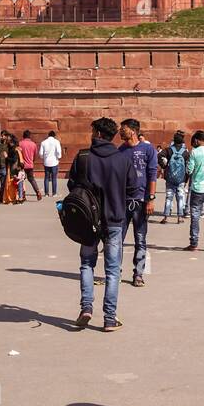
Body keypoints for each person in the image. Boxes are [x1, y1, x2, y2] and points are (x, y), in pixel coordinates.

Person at [69, 117, 132, 331]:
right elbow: (131, 188)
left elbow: (72, 185)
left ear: (96, 133)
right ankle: (109, 318)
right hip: (115, 220)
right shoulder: (123, 159)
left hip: (88, 221)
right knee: (113, 271)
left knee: (87, 263)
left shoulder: (83, 157)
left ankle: (86, 307)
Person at [119, 119, 157, 288]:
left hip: (141, 200)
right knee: (117, 239)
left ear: (132, 131)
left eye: (123, 129)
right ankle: (115, 272)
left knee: (140, 239)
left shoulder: (148, 149)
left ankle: (138, 274)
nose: (121, 131)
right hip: (123, 201)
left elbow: (152, 174)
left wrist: (151, 199)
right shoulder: (120, 151)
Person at [159, 130, 189, 223]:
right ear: (182, 141)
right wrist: (186, 179)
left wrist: (164, 166)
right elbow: (188, 166)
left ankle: (166, 217)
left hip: (170, 178)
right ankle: (180, 218)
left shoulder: (168, 150)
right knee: (180, 198)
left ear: (174, 140)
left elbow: (159, 156)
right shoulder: (185, 152)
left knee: (169, 197)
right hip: (181, 179)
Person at [38, 130, 63, 197]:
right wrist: (58, 157)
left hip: (46, 162)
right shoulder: (56, 142)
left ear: (48, 135)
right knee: (54, 178)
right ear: (54, 136)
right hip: (54, 162)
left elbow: (40, 153)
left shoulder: (43, 142)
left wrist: (43, 158)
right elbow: (58, 152)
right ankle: (54, 193)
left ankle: (46, 193)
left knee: (46, 177)